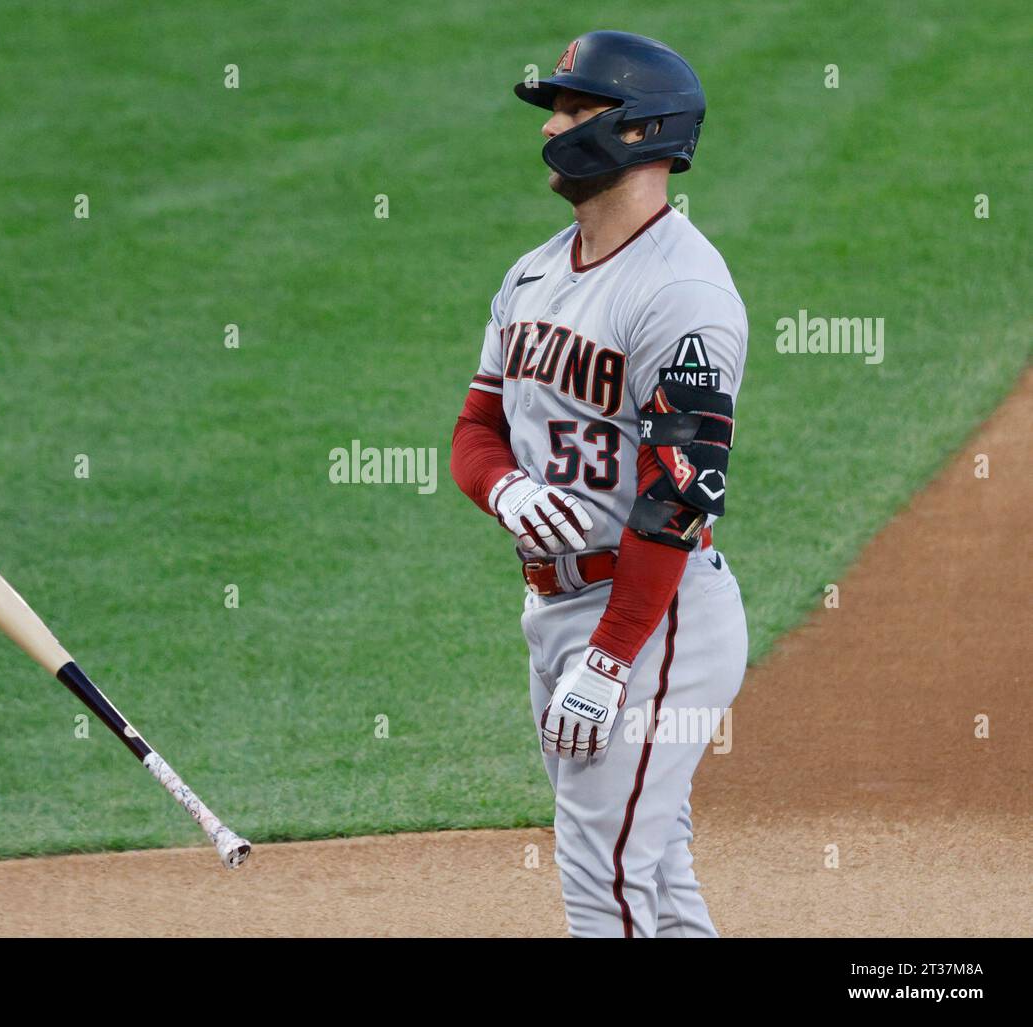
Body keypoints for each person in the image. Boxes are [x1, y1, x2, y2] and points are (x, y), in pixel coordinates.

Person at [450, 30, 749, 937]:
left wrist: (614, 656)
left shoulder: (682, 291)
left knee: (600, 875)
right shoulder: (534, 273)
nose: (554, 129)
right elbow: (475, 430)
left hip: (653, 617)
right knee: (650, 871)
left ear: (639, 132)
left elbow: (678, 496)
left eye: (577, 110)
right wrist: (503, 489)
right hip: (557, 611)